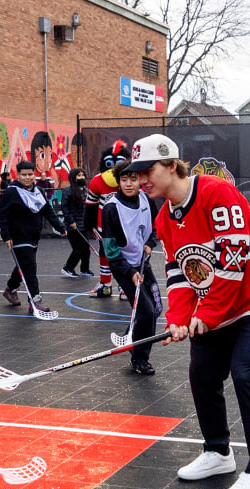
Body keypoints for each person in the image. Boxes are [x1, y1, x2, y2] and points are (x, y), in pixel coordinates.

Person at [131, 133, 250, 489]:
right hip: (215, 307)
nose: (141, 180)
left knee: (245, 376)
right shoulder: (166, 218)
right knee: (202, 374)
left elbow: (233, 261)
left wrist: (205, 314)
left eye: (147, 170)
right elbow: (179, 272)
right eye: (136, 174)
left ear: (172, 165)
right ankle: (218, 452)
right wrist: (178, 317)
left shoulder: (217, 193)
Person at [99, 160, 161, 375]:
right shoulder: (111, 208)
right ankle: (139, 359)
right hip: (123, 267)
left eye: (132, 179)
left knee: (155, 308)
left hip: (142, 262)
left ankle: (129, 337)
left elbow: (157, 226)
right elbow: (110, 250)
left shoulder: (146, 199)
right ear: (118, 182)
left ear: (139, 180)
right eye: (124, 180)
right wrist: (130, 272)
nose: (128, 184)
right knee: (146, 311)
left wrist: (150, 242)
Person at [0, 160, 66, 313]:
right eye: (24, 175)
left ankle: (10, 289)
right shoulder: (11, 192)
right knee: (29, 266)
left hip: (33, 235)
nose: (27, 177)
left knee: (24, 265)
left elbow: (47, 210)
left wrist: (60, 226)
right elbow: (3, 216)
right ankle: (35, 301)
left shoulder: (39, 191)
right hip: (18, 236)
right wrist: (6, 235)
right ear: (18, 175)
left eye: (30, 174)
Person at [85, 140, 130, 298]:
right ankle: (105, 284)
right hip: (103, 228)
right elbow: (91, 205)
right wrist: (89, 224)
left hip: (127, 227)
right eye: (110, 164)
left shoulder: (132, 180)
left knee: (127, 254)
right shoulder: (97, 181)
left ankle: (125, 286)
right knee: (104, 255)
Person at [60, 168, 94, 278]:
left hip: (83, 224)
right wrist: (71, 221)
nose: (81, 177)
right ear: (73, 177)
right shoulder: (68, 191)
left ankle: (85, 269)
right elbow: (64, 208)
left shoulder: (86, 190)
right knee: (78, 249)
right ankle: (68, 268)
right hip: (73, 226)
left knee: (86, 249)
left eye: (83, 175)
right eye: (79, 175)